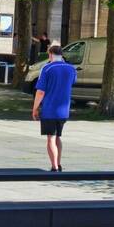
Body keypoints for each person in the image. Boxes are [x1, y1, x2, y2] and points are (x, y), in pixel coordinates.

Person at [32, 43, 77, 171]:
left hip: (49, 109)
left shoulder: (47, 68)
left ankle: (54, 166)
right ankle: (59, 163)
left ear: (50, 54)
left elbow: (40, 92)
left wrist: (35, 108)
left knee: (50, 138)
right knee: (58, 137)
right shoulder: (71, 68)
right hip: (64, 110)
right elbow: (73, 82)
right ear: (61, 55)